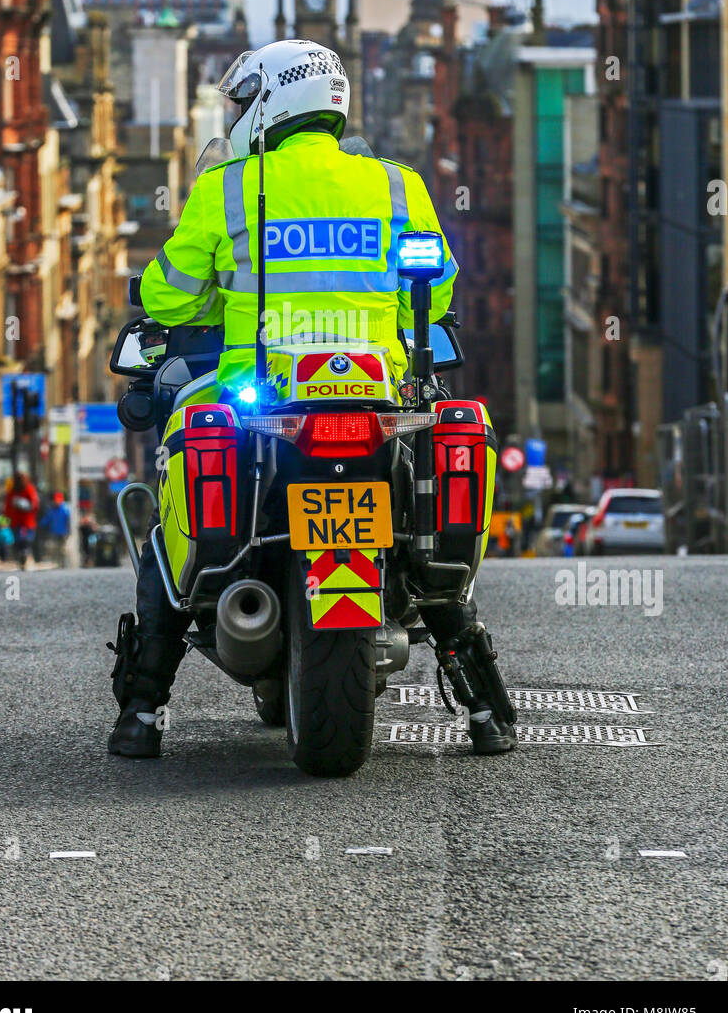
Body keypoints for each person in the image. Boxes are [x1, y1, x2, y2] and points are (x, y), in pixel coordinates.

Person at [108, 38, 516, 760]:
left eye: (239, 103)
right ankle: (485, 709)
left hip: (259, 403)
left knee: (177, 516)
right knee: (428, 563)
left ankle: (141, 712)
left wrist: (198, 293)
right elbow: (439, 288)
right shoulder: (397, 185)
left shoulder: (229, 188)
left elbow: (166, 293)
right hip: (377, 397)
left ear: (270, 101)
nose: (234, 116)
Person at [4, 471, 40, 569]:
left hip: (22, 521)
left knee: (21, 541)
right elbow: (35, 504)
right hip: (25, 522)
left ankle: (23, 555)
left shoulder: (15, 491)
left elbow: (7, 509)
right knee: (24, 541)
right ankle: (24, 555)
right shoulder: (27, 489)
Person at [40, 491, 71, 566]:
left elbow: (69, 521)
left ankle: (64, 563)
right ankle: (57, 563)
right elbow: (46, 519)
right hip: (54, 532)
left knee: (64, 549)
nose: (56, 502)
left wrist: (69, 531)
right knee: (55, 548)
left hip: (64, 533)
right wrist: (41, 525)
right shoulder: (52, 510)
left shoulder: (65, 509)